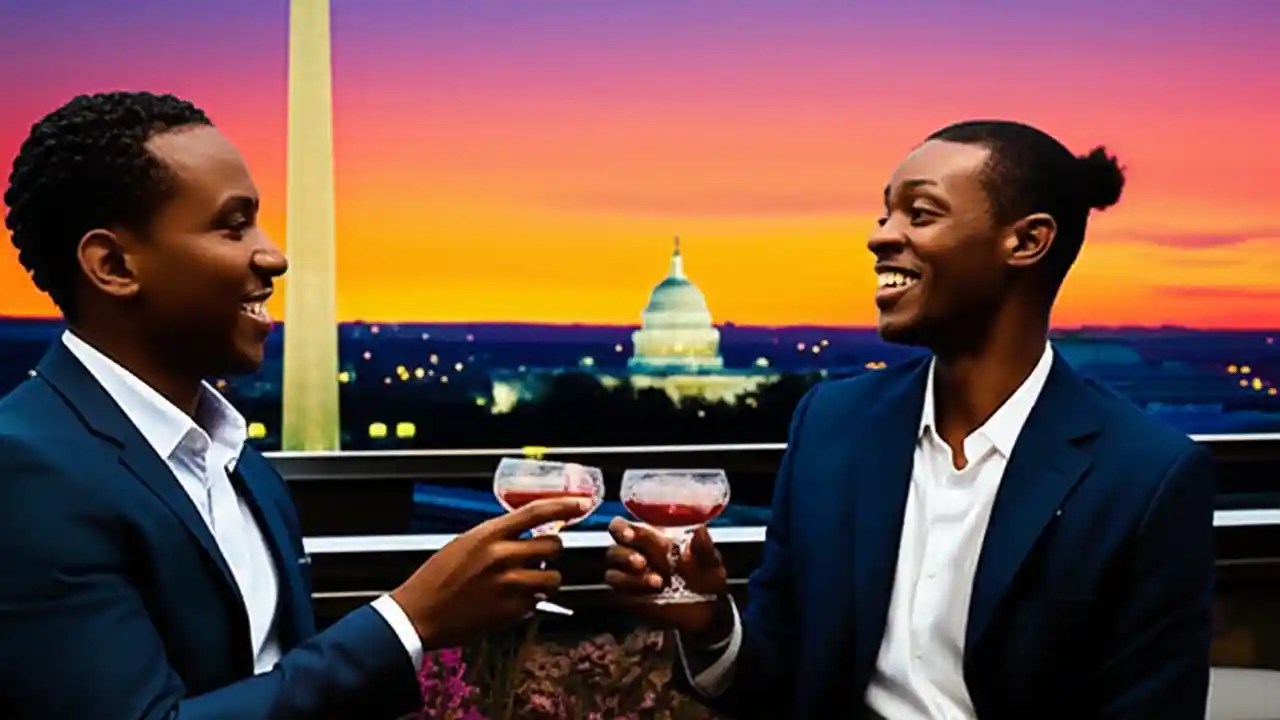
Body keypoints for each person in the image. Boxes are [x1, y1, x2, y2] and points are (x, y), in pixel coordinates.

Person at [0, 91, 588, 719]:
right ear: (114, 265)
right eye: (233, 225)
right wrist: (408, 621)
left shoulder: (240, 465)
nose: (274, 256)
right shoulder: (26, 470)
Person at [605, 120, 1216, 718]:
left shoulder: (1145, 476)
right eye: (885, 215)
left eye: (920, 214)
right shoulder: (831, 426)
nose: (881, 238)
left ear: (1027, 242)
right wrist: (712, 623)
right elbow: (780, 685)